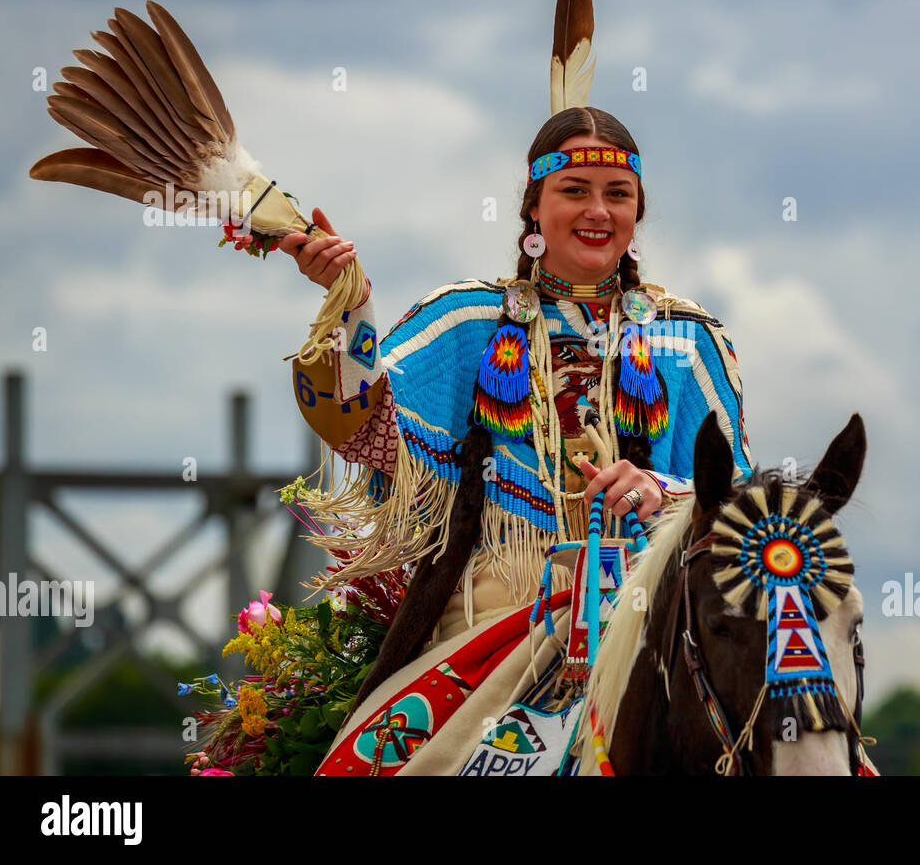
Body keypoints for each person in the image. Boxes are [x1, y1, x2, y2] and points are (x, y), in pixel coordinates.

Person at [278, 106, 753, 775]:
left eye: (618, 194)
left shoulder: (689, 341)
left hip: (652, 640)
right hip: (489, 631)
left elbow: (736, 513)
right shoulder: (469, 319)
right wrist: (348, 303)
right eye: (574, 191)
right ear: (533, 208)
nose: (598, 211)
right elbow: (368, 435)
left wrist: (662, 489)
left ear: (638, 212)